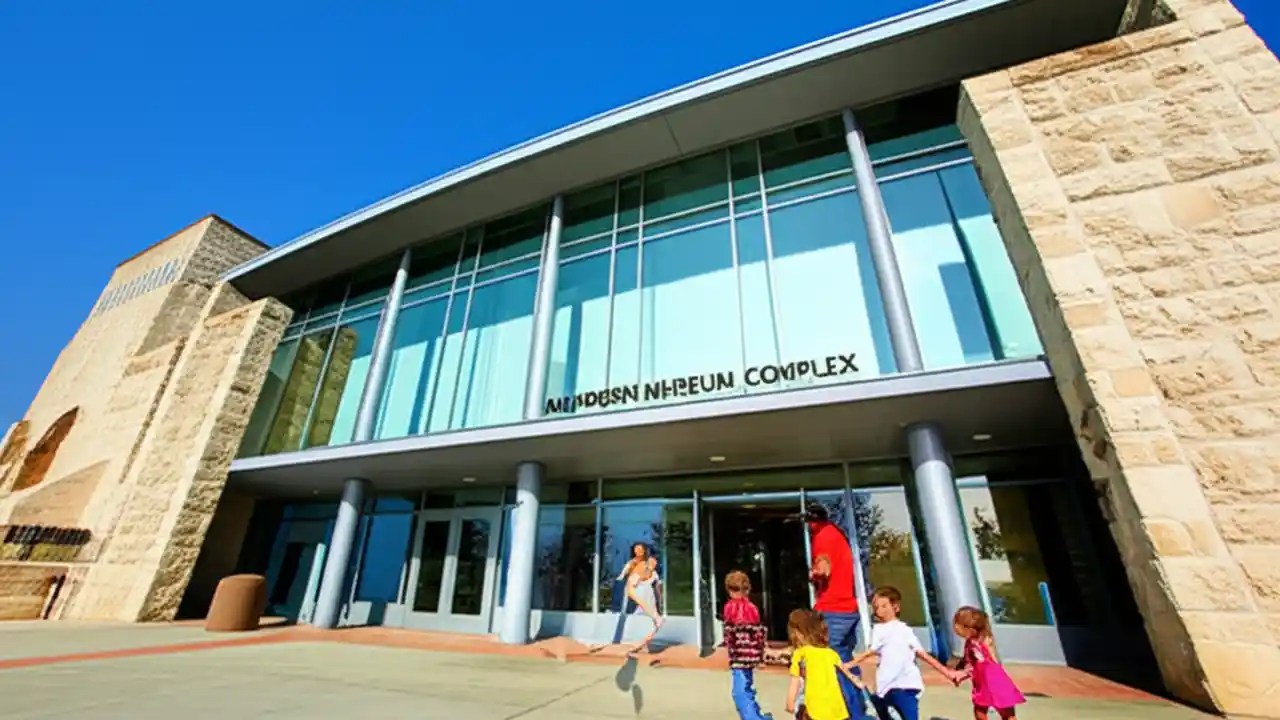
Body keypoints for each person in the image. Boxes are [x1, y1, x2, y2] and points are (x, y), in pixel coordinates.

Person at [843, 587, 960, 720]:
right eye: (876, 607)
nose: (879, 610)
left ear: (896, 607)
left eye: (884, 606)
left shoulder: (905, 630)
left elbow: (922, 654)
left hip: (906, 683)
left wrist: (947, 673)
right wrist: (851, 664)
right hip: (887, 685)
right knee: (882, 707)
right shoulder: (878, 629)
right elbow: (872, 651)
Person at [801, 503, 864, 717]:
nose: (808, 527)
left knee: (832, 665)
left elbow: (824, 569)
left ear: (812, 522)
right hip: (848, 607)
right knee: (846, 663)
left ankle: (847, 713)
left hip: (833, 607)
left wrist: (813, 574)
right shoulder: (837, 534)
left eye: (808, 522)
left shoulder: (822, 537)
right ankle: (858, 710)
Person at [786, 609, 863, 720]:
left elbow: (795, 681)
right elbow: (845, 670)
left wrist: (790, 701)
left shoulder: (800, 654)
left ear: (797, 633)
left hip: (815, 708)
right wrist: (857, 681)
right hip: (836, 708)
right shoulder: (830, 653)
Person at [952, 606, 1025, 720]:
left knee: (997, 713)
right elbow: (969, 661)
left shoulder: (980, 642)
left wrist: (962, 673)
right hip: (989, 681)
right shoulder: (972, 642)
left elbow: (975, 664)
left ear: (968, 628)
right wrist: (960, 668)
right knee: (984, 711)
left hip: (990, 681)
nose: (955, 629)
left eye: (957, 625)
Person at [722, 570, 772, 720]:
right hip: (751, 656)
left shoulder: (730, 607)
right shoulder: (752, 608)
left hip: (739, 657)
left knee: (739, 692)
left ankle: (753, 718)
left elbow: (729, 634)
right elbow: (758, 634)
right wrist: (761, 653)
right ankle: (758, 716)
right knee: (747, 687)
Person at [616, 542, 663, 653]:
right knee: (641, 618)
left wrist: (660, 600)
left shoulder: (650, 566)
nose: (637, 551)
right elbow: (622, 576)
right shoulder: (632, 563)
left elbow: (656, 584)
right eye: (636, 549)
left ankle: (645, 643)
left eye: (640, 549)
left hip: (645, 593)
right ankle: (643, 643)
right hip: (637, 595)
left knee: (650, 618)